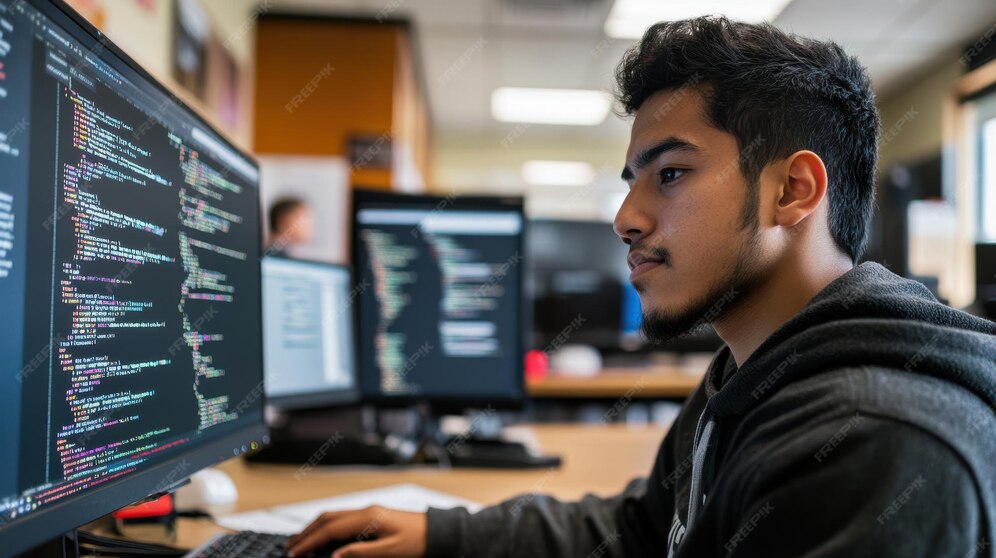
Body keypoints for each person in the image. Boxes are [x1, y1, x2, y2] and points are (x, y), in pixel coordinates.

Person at [285, 17, 996, 558]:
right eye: (633, 182)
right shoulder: (753, 372)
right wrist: (446, 537)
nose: (626, 219)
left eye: (672, 173)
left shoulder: (870, 444)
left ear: (794, 189)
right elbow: (642, 530)